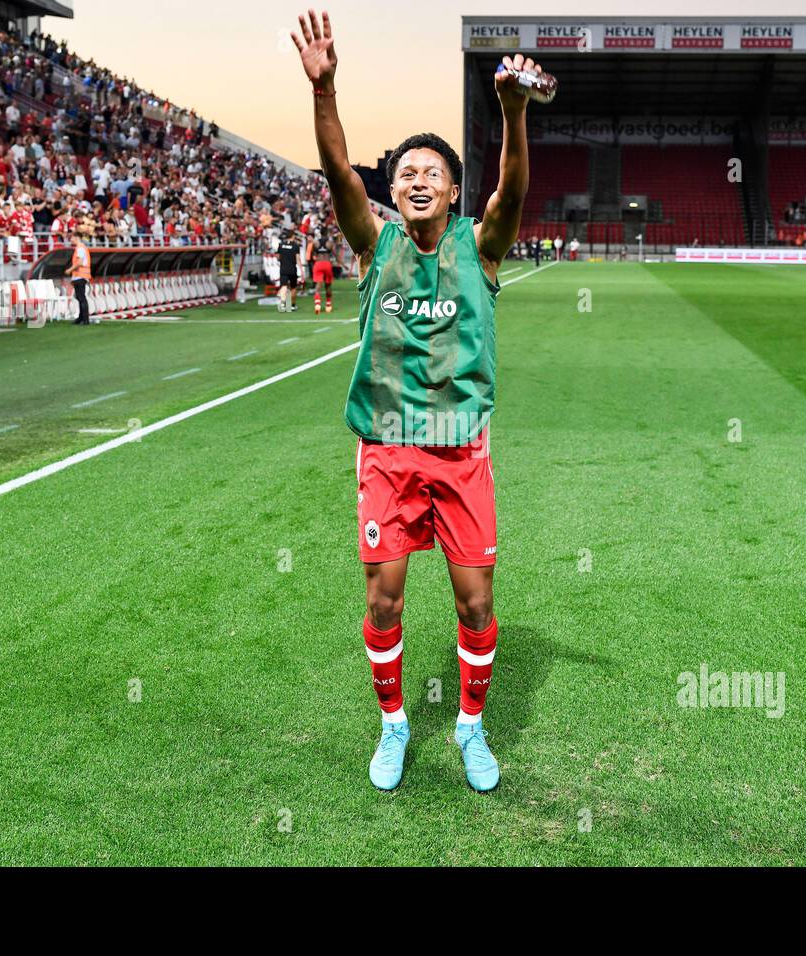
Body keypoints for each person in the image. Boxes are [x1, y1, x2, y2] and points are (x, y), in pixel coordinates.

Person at [293, 8, 536, 792]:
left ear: (455, 190)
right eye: (405, 173)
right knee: (385, 598)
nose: (418, 178)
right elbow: (336, 172)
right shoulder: (376, 244)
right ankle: (394, 724)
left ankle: (470, 726)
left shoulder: (482, 247)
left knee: (473, 603)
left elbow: (514, 190)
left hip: (462, 448)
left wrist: (511, 112)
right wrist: (326, 89)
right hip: (389, 448)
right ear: (391, 193)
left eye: (433, 171)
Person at [66, 217, 93, 324]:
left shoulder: (80, 248)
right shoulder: (81, 247)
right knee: (79, 297)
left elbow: (80, 262)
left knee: (81, 298)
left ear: (76, 238)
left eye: (71, 237)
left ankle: (84, 319)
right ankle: (81, 318)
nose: (70, 239)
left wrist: (69, 270)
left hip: (81, 276)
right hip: (80, 276)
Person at [307, 228, 336, 314]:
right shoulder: (330, 243)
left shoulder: (315, 242)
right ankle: (328, 305)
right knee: (328, 285)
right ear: (327, 233)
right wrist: (342, 264)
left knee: (318, 286)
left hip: (318, 264)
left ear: (320, 233)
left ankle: (317, 305)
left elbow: (313, 254)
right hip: (327, 264)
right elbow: (334, 254)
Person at [276, 228, 299, 312]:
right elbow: (297, 258)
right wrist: (301, 269)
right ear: (293, 236)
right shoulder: (295, 246)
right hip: (292, 268)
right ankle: (292, 305)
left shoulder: (281, 244)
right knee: (293, 287)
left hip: (283, 268)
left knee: (284, 286)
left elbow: (278, 256)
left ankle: (282, 304)